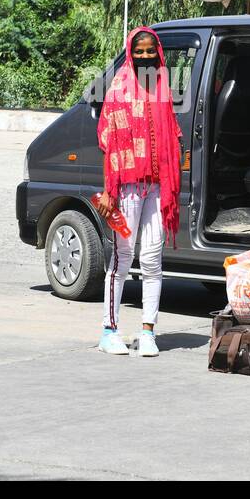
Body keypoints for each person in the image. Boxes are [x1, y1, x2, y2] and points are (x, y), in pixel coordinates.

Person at [94, 28, 183, 357]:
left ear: (157, 52)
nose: (145, 55)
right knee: (122, 257)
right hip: (126, 186)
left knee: (152, 259)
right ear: (131, 53)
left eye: (149, 50)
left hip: (157, 187)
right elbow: (107, 137)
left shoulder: (163, 86)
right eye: (139, 51)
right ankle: (109, 330)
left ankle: (148, 332)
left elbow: (172, 134)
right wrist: (109, 191)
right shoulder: (119, 86)